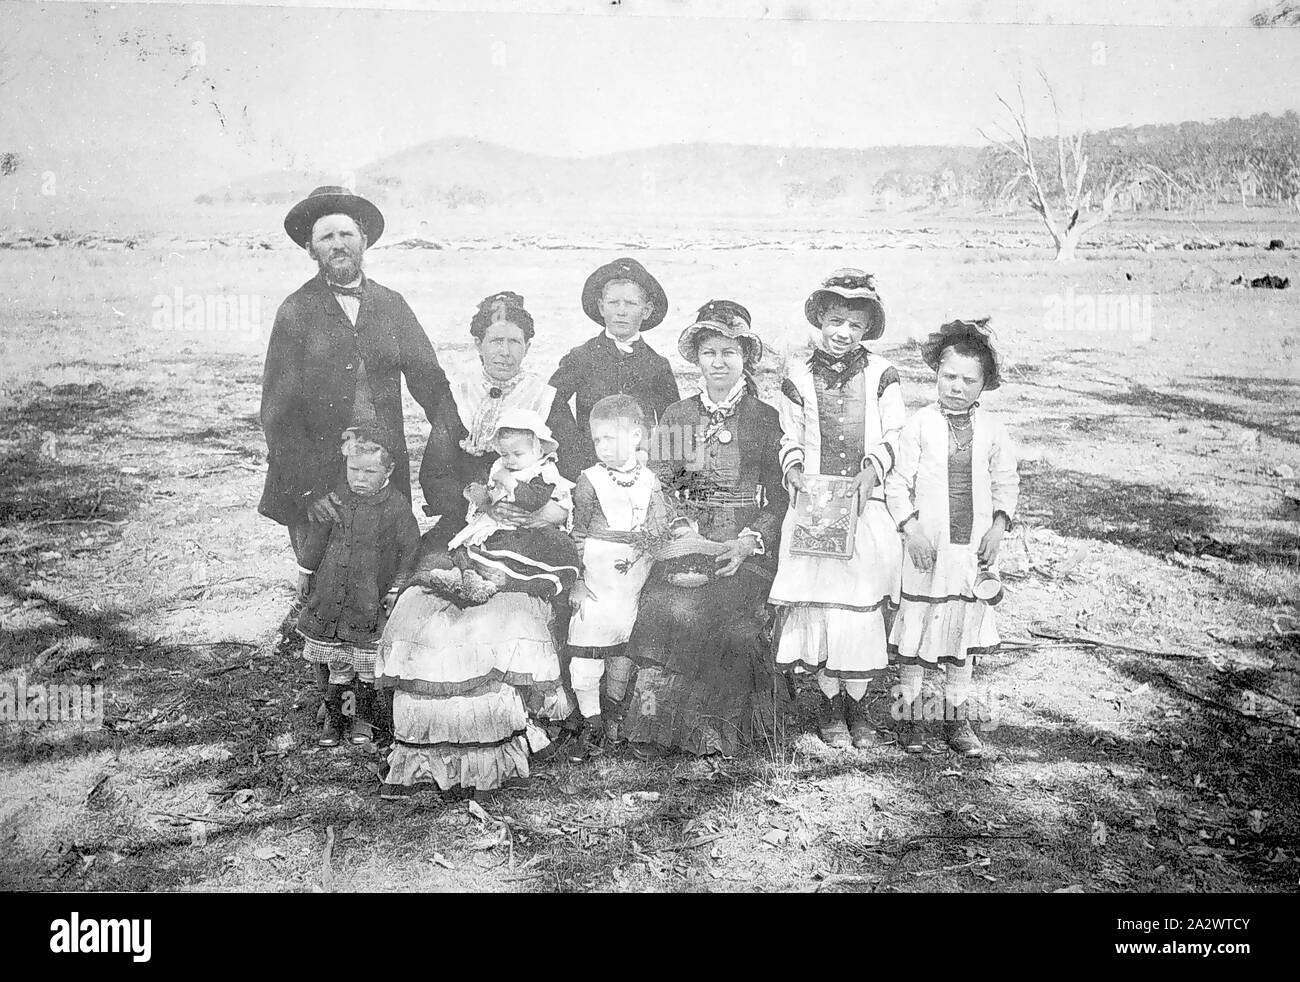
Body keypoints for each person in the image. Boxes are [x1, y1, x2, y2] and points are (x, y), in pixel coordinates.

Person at [261, 186, 460, 637]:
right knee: (325, 574)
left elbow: (429, 378)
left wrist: (453, 434)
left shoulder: (391, 305)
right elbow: (277, 412)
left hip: (381, 466)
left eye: (347, 233)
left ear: (364, 241)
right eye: (326, 236)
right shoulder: (295, 311)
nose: (338, 244)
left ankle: (380, 672)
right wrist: (311, 488)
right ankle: (327, 679)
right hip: (318, 472)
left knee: (385, 566)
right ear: (311, 249)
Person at [619, 300, 789, 759]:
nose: (719, 362)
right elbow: (663, 483)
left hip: (740, 545)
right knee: (663, 604)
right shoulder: (677, 415)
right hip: (685, 539)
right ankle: (654, 725)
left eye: (729, 353)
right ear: (697, 357)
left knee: (727, 615)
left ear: (745, 359)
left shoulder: (763, 418)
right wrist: (682, 533)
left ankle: (712, 731)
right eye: (710, 352)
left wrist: (749, 540)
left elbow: (779, 495)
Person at [770, 270, 906, 750]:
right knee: (822, 604)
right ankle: (828, 706)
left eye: (852, 323)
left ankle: (858, 705)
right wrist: (794, 473)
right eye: (833, 320)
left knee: (860, 603)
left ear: (866, 327)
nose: (841, 332)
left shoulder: (882, 375)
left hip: (865, 504)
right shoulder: (797, 374)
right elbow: (790, 435)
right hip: (816, 506)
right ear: (820, 321)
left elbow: (895, 435)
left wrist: (873, 471)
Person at [885, 318, 1019, 758]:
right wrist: (910, 529)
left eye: (968, 380)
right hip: (927, 550)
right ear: (936, 375)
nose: (956, 387)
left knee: (962, 632)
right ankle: (908, 713)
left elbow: (1006, 483)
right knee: (919, 630)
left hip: (972, 551)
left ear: (984, 385)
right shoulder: (919, 424)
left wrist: (999, 527)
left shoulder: (994, 431)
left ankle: (957, 716)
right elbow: (897, 483)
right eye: (949, 377)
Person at [419, 291, 580, 548]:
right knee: (435, 571)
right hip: (470, 517)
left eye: (514, 342)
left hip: (534, 520)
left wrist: (549, 510)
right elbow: (434, 475)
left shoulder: (546, 399)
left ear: (527, 347)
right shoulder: (459, 398)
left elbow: (574, 466)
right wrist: (482, 504)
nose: (505, 352)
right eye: (495, 341)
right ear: (478, 344)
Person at [295, 426, 420, 747]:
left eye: (370, 471)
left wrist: (396, 588)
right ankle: (335, 720)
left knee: (364, 666)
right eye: (354, 470)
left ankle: (360, 718)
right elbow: (316, 539)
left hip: (367, 602)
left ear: (388, 470)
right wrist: (305, 571)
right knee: (337, 664)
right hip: (332, 595)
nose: (360, 478)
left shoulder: (395, 507)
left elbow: (409, 550)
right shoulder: (336, 499)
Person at [565, 395, 672, 762]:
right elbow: (576, 534)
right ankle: (590, 721)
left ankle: (611, 716)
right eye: (597, 440)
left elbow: (659, 531)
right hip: (597, 576)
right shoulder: (589, 480)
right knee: (586, 656)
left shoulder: (649, 482)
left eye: (611, 438)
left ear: (637, 435)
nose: (603, 447)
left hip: (634, 577)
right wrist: (578, 579)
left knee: (621, 652)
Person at [418, 409, 575, 605]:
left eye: (518, 454)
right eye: (504, 454)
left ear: (539, 450)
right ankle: (465, 577)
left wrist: (509, 482)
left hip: (532, 530)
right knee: (469, 548)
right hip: (501, 526)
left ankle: (496, 582)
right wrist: (481, 496)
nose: (510, 460)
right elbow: (490, 492)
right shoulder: (500, 466)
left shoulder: (544, 470)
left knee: (514, 556)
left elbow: (534, 500)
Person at [549, 258, 681, 472]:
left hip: (640, 466)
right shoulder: (581, 357)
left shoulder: (657, 365)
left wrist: (653, 456)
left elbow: (673, 421)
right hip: (589, 464)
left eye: (630, 304)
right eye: (613, 303)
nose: (621, 311)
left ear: (646, 310)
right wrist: (574, 447)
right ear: (601, 307)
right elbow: (551, 400)